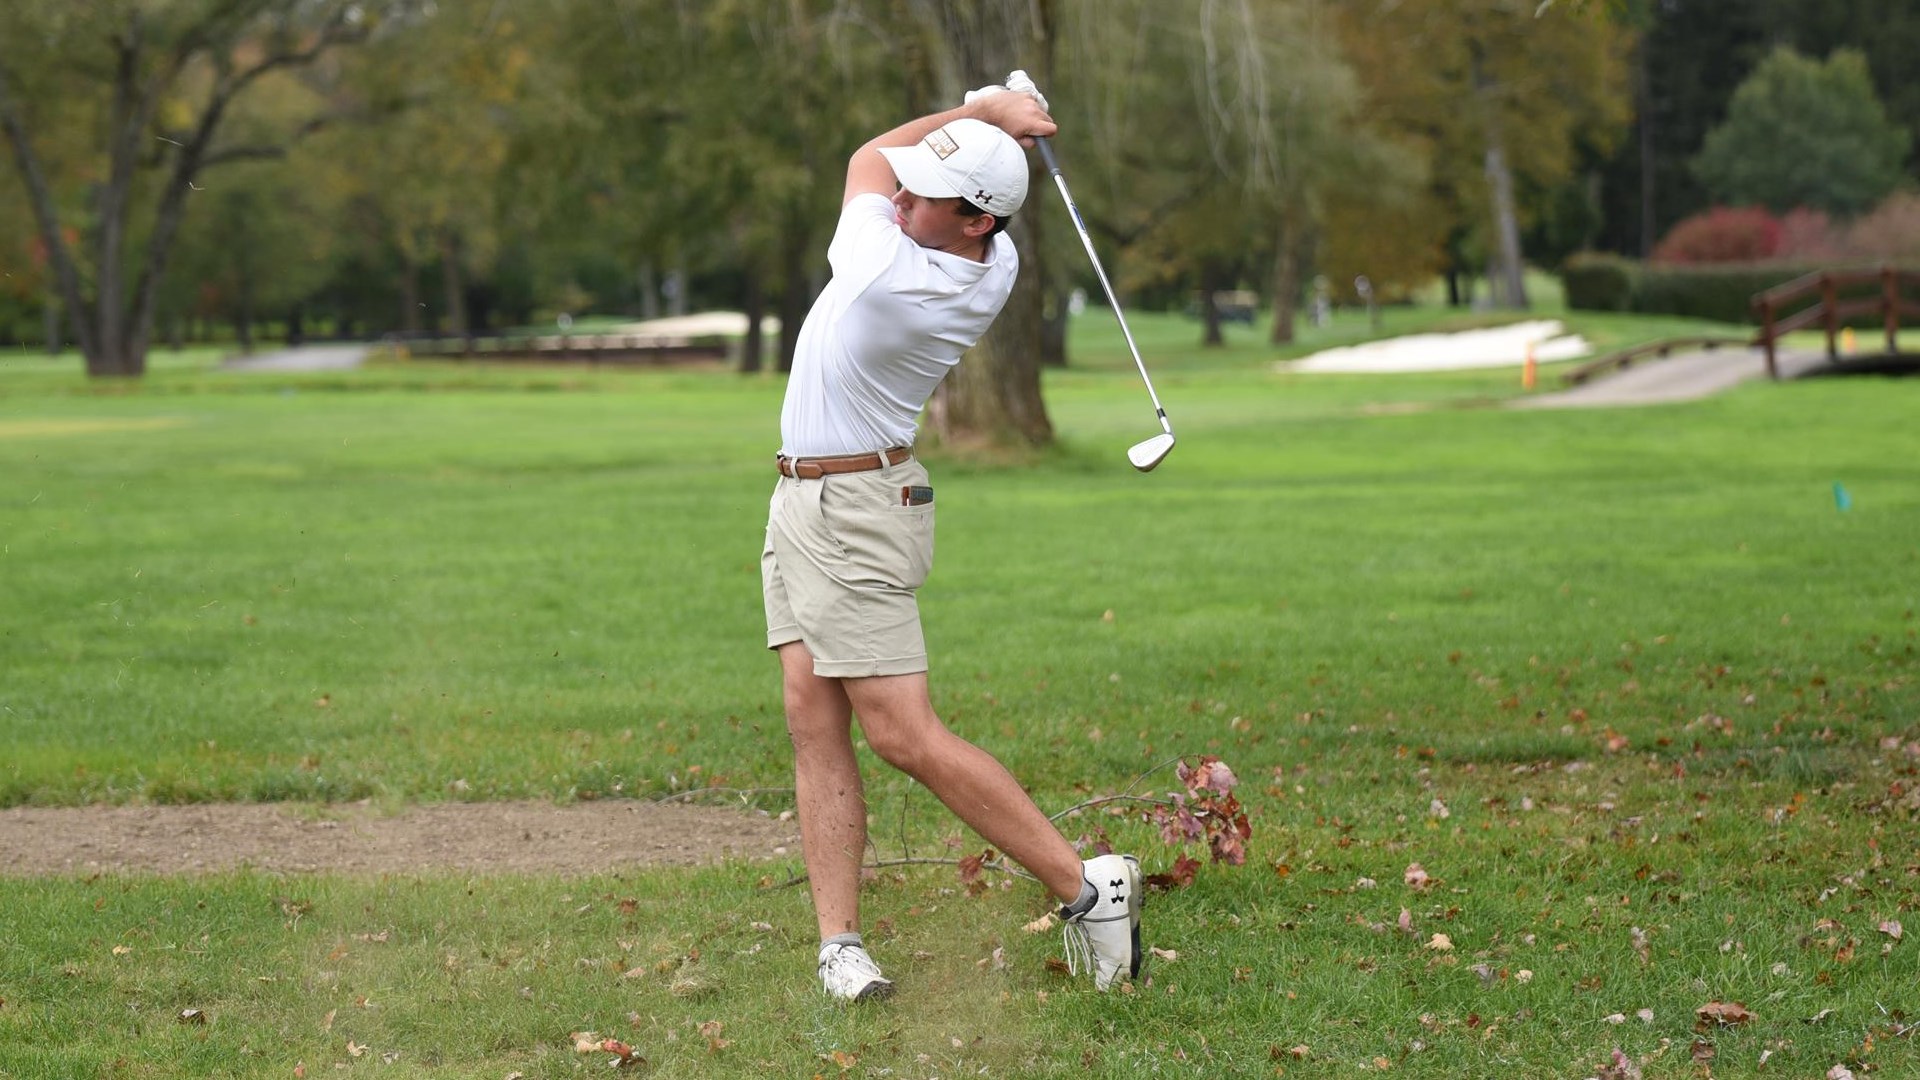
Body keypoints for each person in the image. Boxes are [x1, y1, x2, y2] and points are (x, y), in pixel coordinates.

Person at [760, 74, 1142, 1001]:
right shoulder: (983, 253)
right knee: (812, 715)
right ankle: (840, 946)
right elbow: (886, 168)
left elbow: (862, 158)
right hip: (808, 498)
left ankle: (1088, 890)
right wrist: (982, 126)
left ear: (974, 220)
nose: (898, 197)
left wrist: (979, 112)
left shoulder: (893, 274)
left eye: (923, 194)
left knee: (903, 734)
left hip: (852, 511)